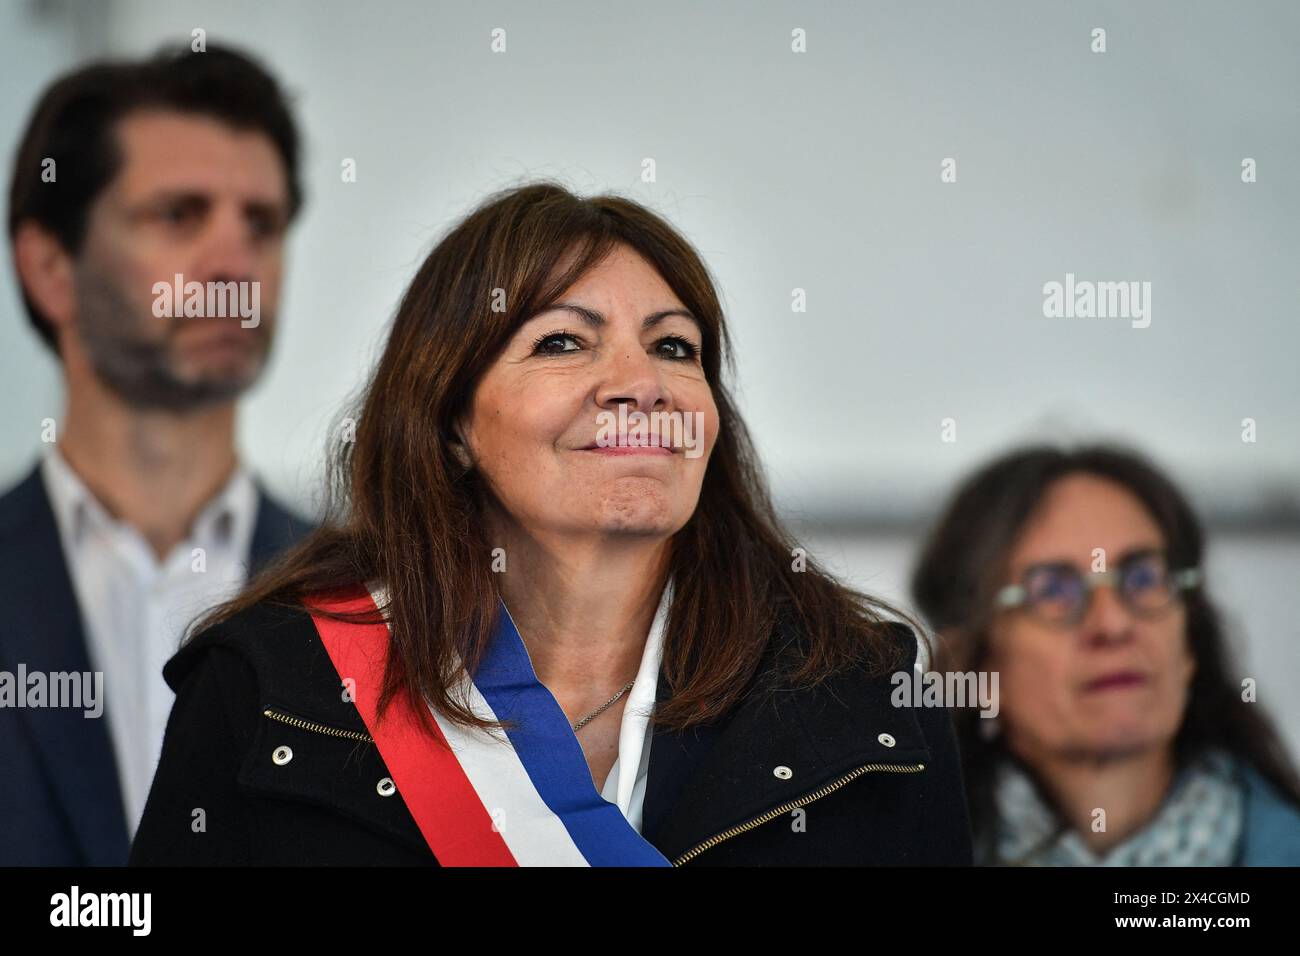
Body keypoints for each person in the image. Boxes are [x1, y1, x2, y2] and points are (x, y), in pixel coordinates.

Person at [128, 181, 973, 866]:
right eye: (565, 343)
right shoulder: (271, 686)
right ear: (452, 421)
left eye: (675, 347)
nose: (641, 384)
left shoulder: (864, 694)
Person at [0, 44, 312, 865]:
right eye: (179, 214)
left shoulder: (374, 604)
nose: (233, 262)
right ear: (49, 267)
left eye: (262, 224)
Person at [910, 445, 1300, 865]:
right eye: (1054, 590)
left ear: (1189, 641)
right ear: (976, 662)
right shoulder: (907, 850)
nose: (1113, 625)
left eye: (1143, 577)